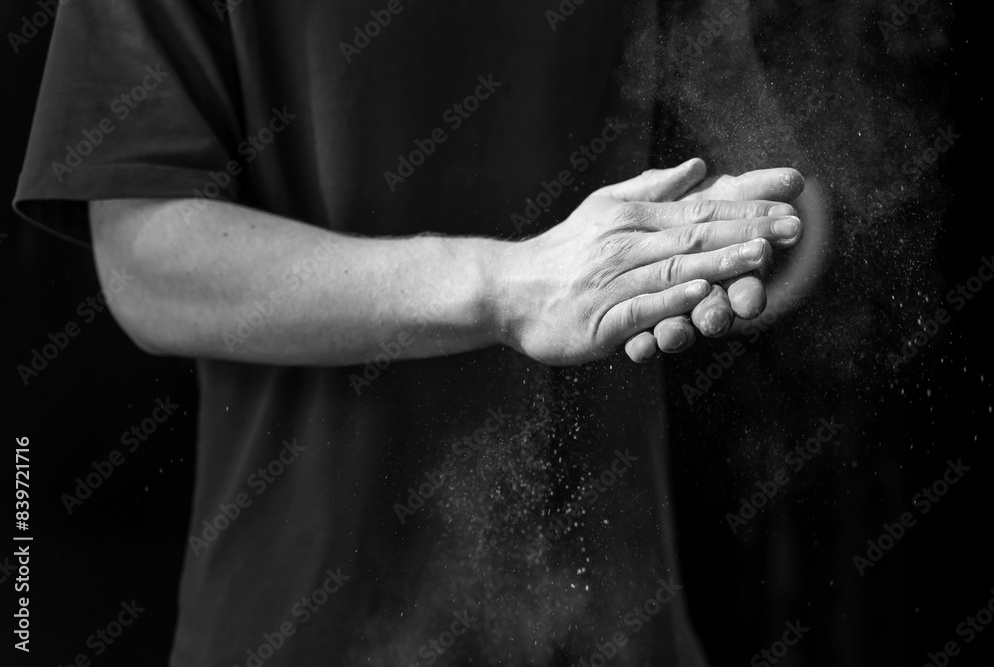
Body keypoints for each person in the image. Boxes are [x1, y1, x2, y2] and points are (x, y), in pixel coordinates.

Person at [14, 1, 810, 664]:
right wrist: (503, 288)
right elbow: (145, 262)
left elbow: (782, 185)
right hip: (301, 622)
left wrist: (746, 235)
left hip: (612, 613)